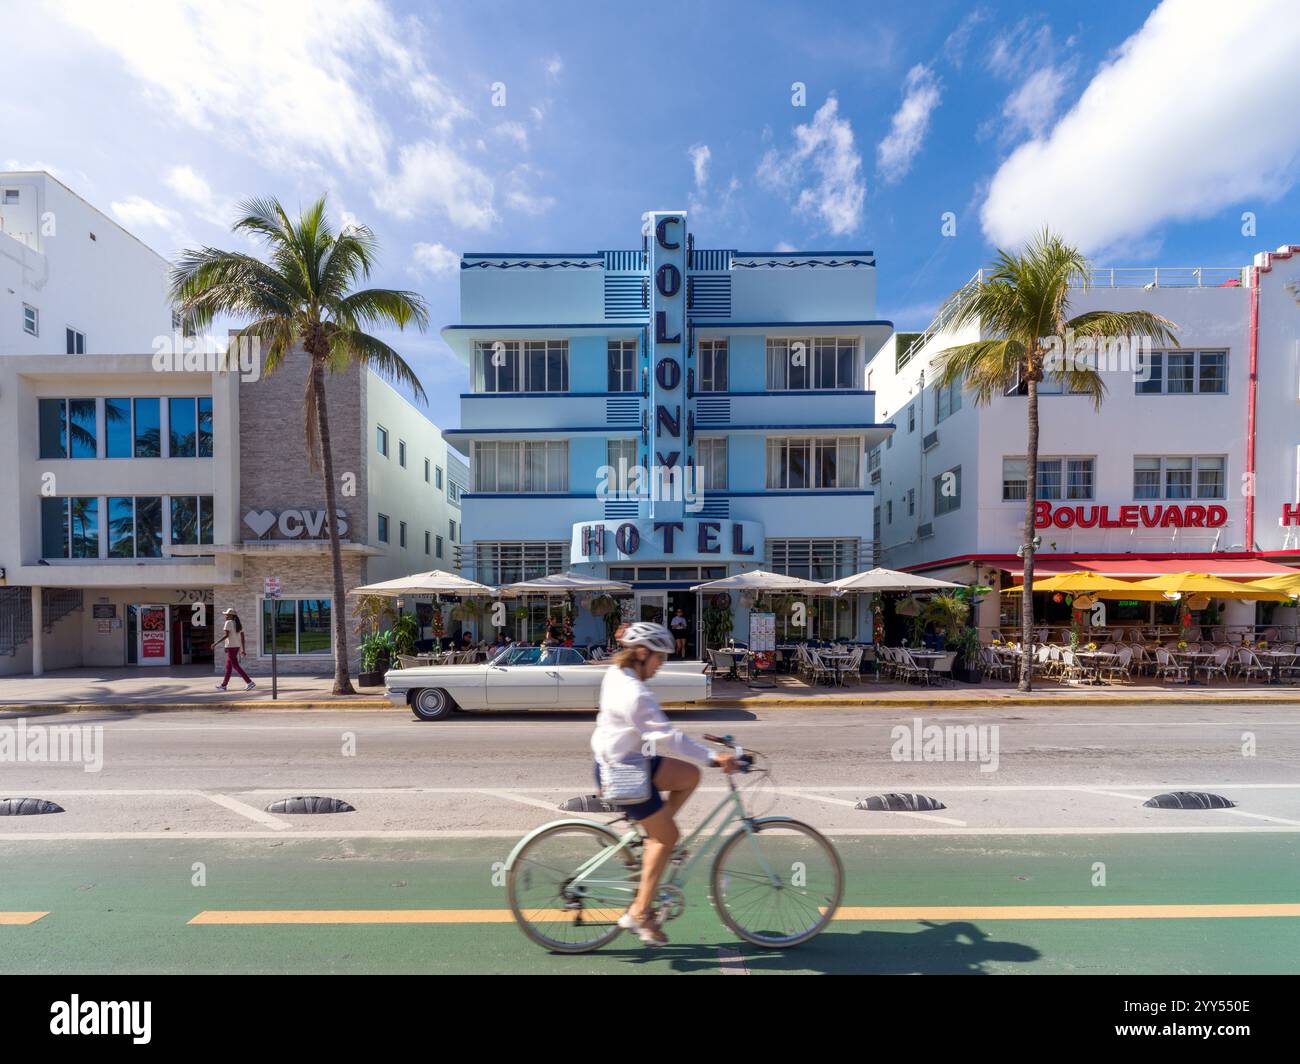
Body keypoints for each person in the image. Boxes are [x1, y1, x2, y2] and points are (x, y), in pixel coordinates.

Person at [591, 621, 739, 946]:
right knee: (669, 836)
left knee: (689, 776)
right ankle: (639, 913)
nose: (661, 666)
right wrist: (715, 757)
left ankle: (655, 840)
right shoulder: (634, 693)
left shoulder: (620, 673)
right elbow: (669, 737)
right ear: (642, 654)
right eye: (660, 658)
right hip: (623, 772)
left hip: (630, 760)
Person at [213, 607, 255, 691]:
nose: (225, 616)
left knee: (235, 666)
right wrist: (242, 650)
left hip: (231, 647)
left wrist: (215, 643)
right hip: (236, 647)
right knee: (229, 667)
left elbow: (226, 636)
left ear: (230, 616)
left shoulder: (228, 623)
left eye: (227, 614)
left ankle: (249, 682)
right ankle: (224, 685)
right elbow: (242, 638)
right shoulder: (238, 624)